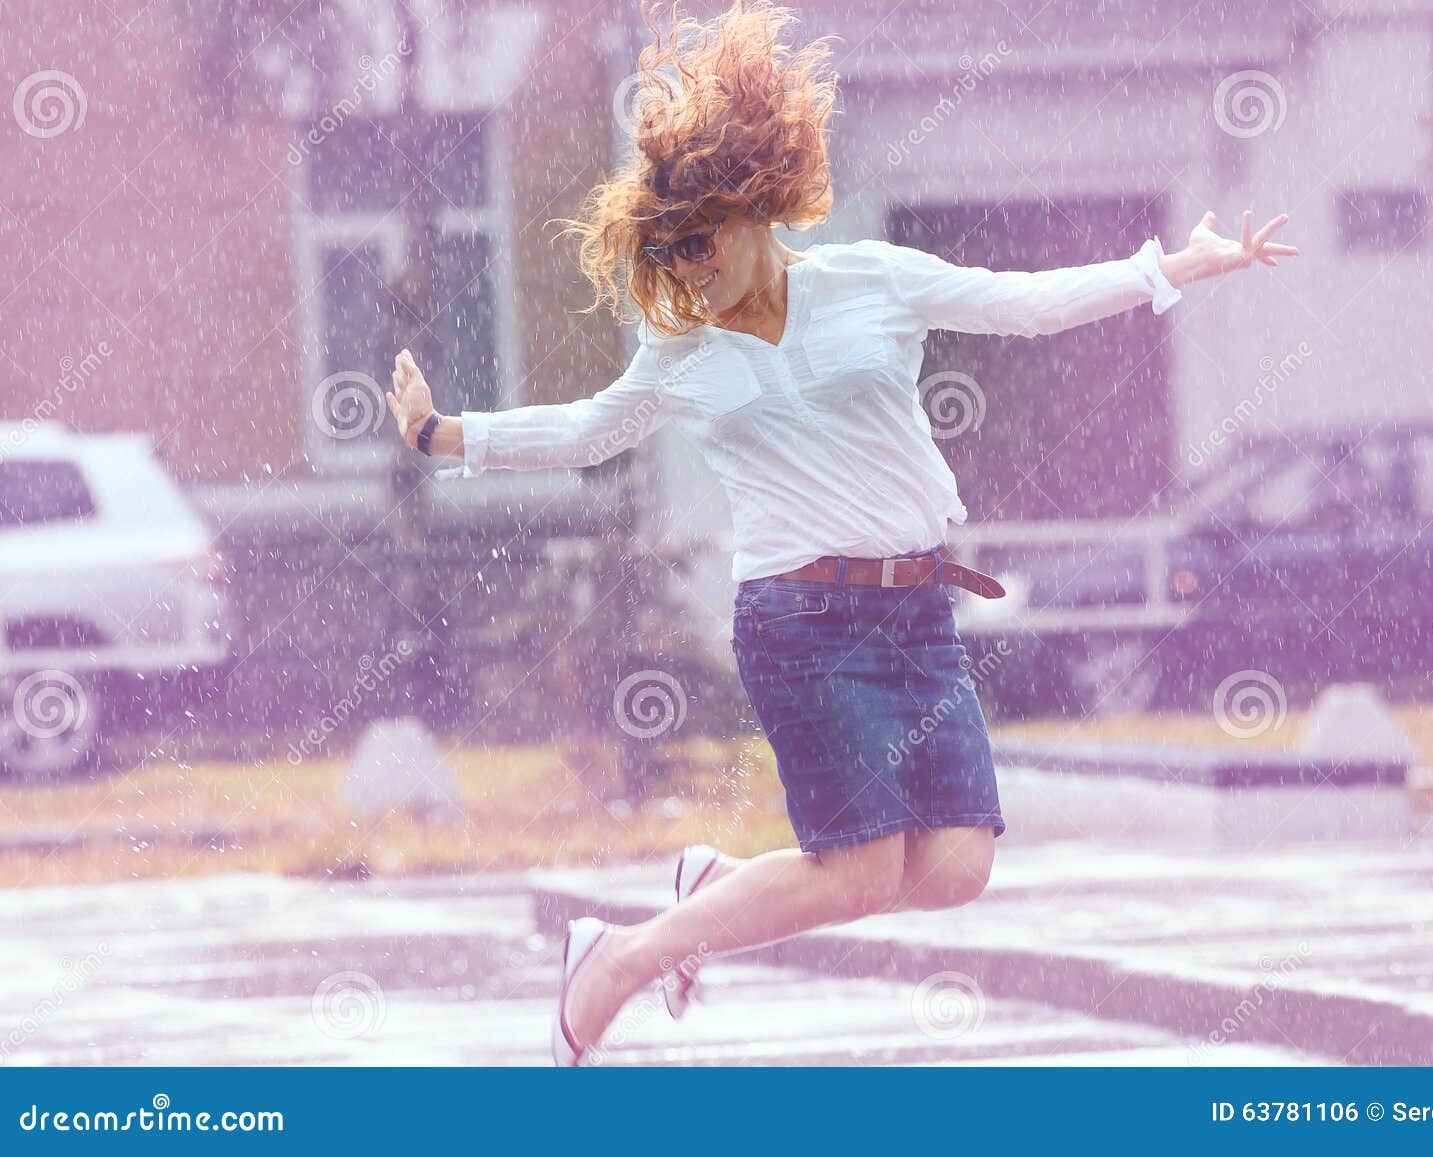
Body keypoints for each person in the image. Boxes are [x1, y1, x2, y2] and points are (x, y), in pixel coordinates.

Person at [384, 0, 1299, 1066]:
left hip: (917, 611)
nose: (688, 268)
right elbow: (589, 429)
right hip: (802, 622)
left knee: (955, 867)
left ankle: (718, 891)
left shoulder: (871, 280)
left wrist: (1171, 269)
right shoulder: (682, 353)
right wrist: (447, 435)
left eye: (699, 240)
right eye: (668, 253)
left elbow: (1022, 302)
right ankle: (618, 955)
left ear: (751, 209)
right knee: (858, 872)